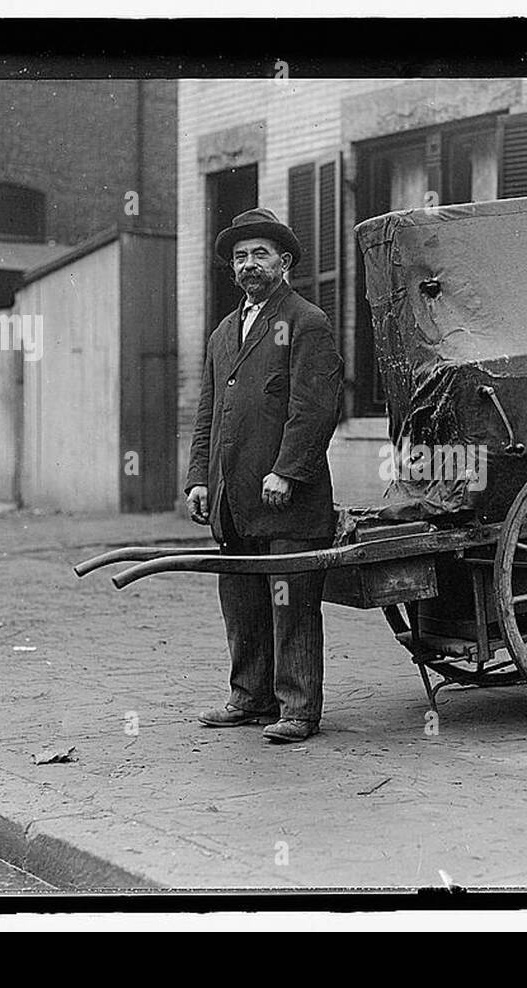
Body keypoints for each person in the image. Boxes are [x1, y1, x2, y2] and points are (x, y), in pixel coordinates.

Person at [184, 208, 343, 744]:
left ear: (285, 263)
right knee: (243, 597)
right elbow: (208, 413)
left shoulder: (306, 322)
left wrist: (287, 471)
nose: (249, 265)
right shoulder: (224, 332)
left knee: (290, 600)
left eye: (260, 255)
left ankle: (298, 709)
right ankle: (249, 698)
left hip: (286, 498)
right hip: (234, 495)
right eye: (240, 257)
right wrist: (199, 479)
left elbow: (314, 409)